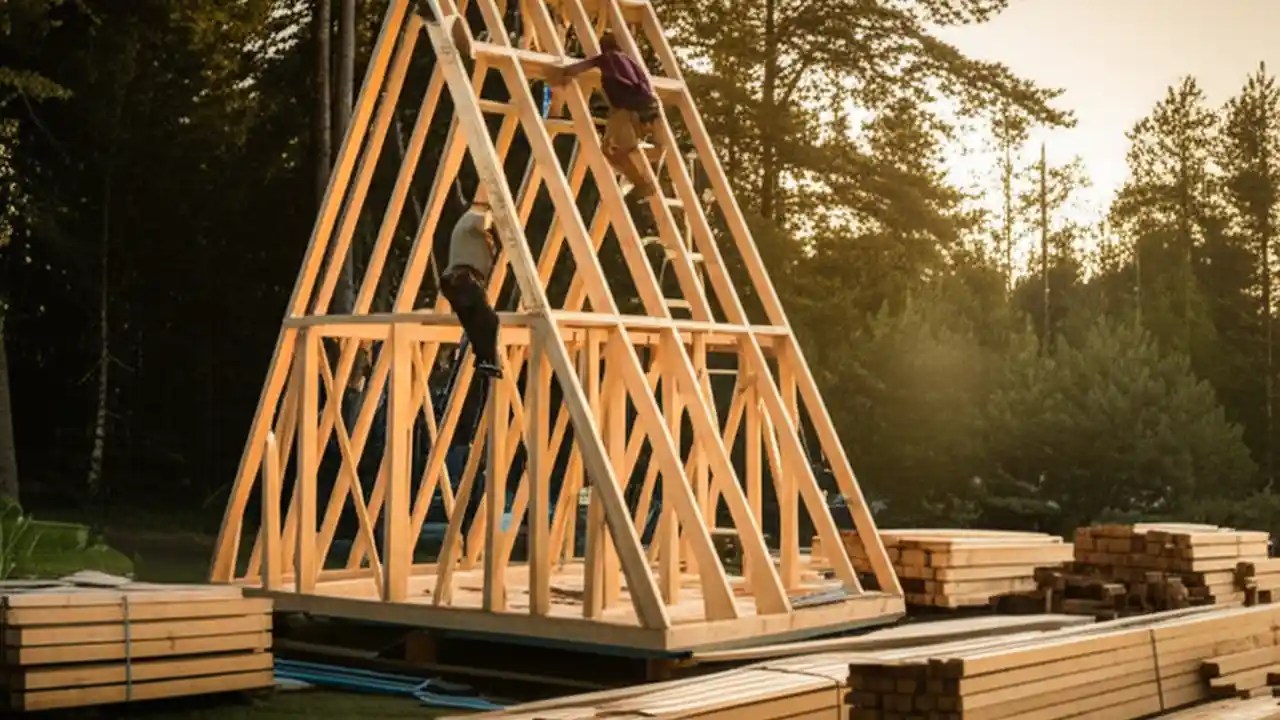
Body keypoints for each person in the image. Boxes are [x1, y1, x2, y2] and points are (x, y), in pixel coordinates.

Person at [551, 33, 660, 201]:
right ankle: (642, 178)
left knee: (613, 150)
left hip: (626, 109)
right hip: (648, 108)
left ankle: (642, 184)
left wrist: (559, 75)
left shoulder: (606, 58)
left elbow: (576, 69)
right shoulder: (630, 61)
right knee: (622, 149)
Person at [441, 186, 503, 380]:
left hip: (453, 282)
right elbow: (483, 221)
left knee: (475, 325)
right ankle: (488, 361)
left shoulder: (469, 232)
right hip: (463, 280)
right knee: (490, 320)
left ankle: (483, 360)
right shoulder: (474, 217)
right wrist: (498, 217)